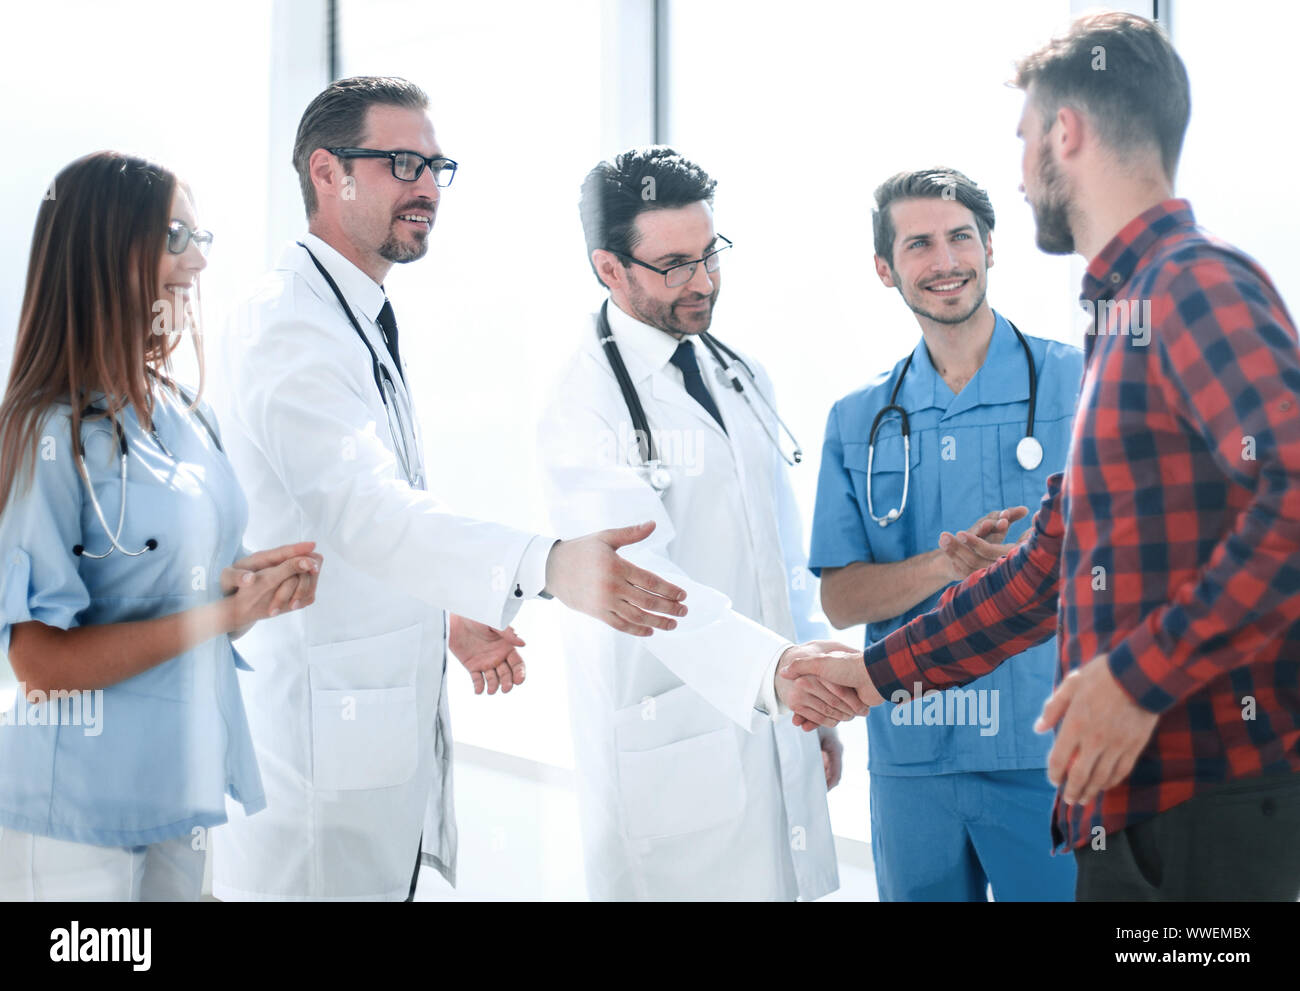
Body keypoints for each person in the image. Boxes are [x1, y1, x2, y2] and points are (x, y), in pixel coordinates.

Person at [784, 11, 1300, 901]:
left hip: (1205, 805)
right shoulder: (1122, 322)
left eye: (1024, 140)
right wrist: (871, 674)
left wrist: (1137, 679)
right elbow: (1045, 571)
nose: (1020, 177)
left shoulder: (1192, 284)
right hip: (1125, 813)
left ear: (1065, 132)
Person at [209, 78, 690, 902]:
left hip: (367, 761)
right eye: (402, 163)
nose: (427, 187)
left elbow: (357, 527)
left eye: (437, 166)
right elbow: (361, 508)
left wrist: (442, 615)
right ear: (327, 173)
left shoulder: (356, 315)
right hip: (313, 779)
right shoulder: (288, 319)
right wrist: (546, 564)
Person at [536, 146, 868, 901]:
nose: (704, 281)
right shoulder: (581, 400)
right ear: (609, 269)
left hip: (775, 718)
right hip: (674, 746)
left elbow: (779, 555)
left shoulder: (738, 370)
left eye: (710, 253)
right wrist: (778, 677)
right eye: (675, 264)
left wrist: (808, 703)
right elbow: (646, 583)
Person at [0, 151, 321, 901]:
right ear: (105, 250)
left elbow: (191, 599)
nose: (200, 259)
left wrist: (250, 587)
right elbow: (40, 663)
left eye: (199, 234)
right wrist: (219, 612)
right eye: (176, 236)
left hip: (181, 790)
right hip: (73, 814)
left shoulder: (183, 411)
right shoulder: (50, 433)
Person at [808, 167, 1083, 901]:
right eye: (920, 243)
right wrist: (942, 566)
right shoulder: (859, 417)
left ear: (991, 248)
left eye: (961, 236)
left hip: (1048, 748)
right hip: (914, 757)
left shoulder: (1077, 382)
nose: (945, 260)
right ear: (884, 268)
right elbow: (839, 600)